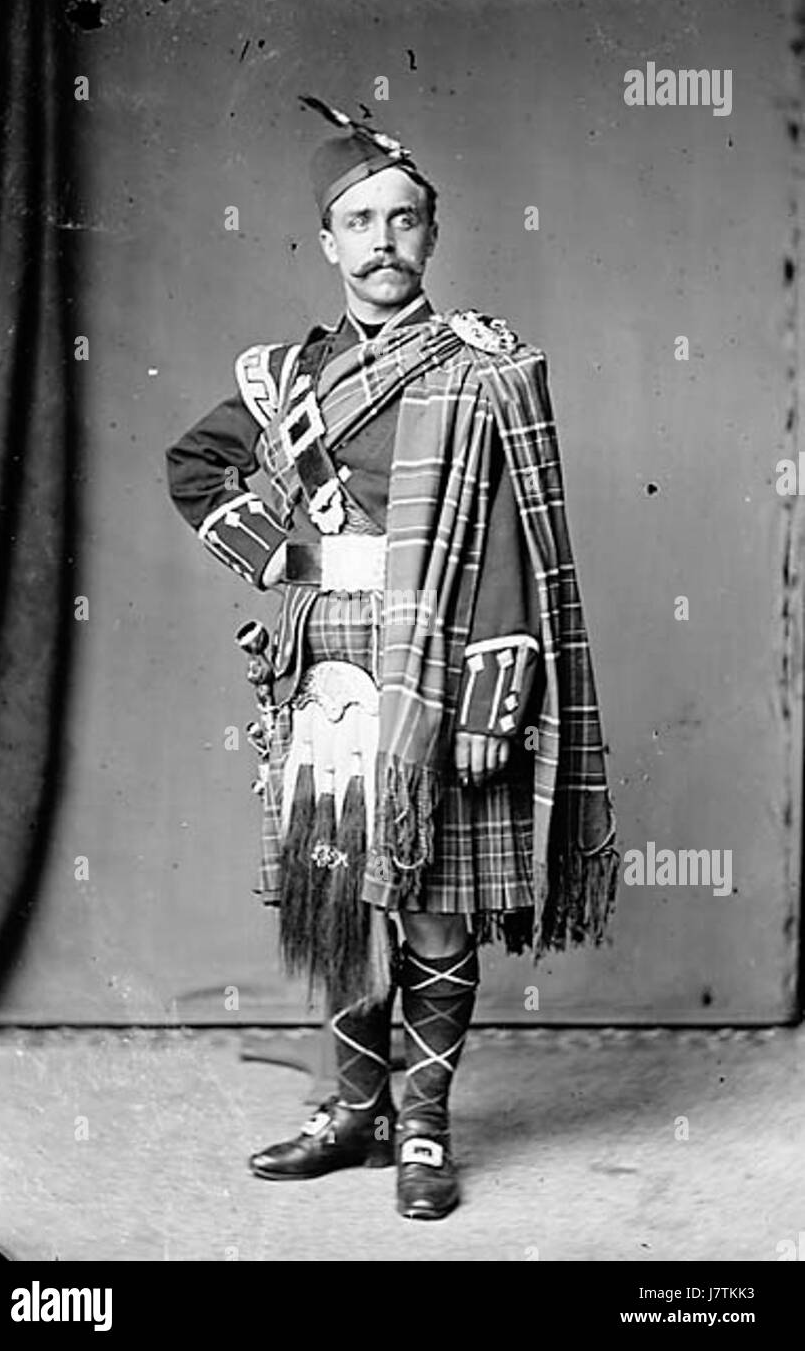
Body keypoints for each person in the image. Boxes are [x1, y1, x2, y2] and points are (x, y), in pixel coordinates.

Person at [166, 97, 619, 1220]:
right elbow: (195, 467)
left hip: (444, 668)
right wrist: (284, 554)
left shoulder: (482, 372)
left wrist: (492, 701)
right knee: (340, 905)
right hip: (324, 665)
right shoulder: (285, 377)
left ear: (431, 234)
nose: (381, 242)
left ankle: (423, 1130)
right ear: (327, 243)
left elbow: (515, 538)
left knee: (430, 907)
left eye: (403, 219)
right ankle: (352, 1115)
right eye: (359, 221)